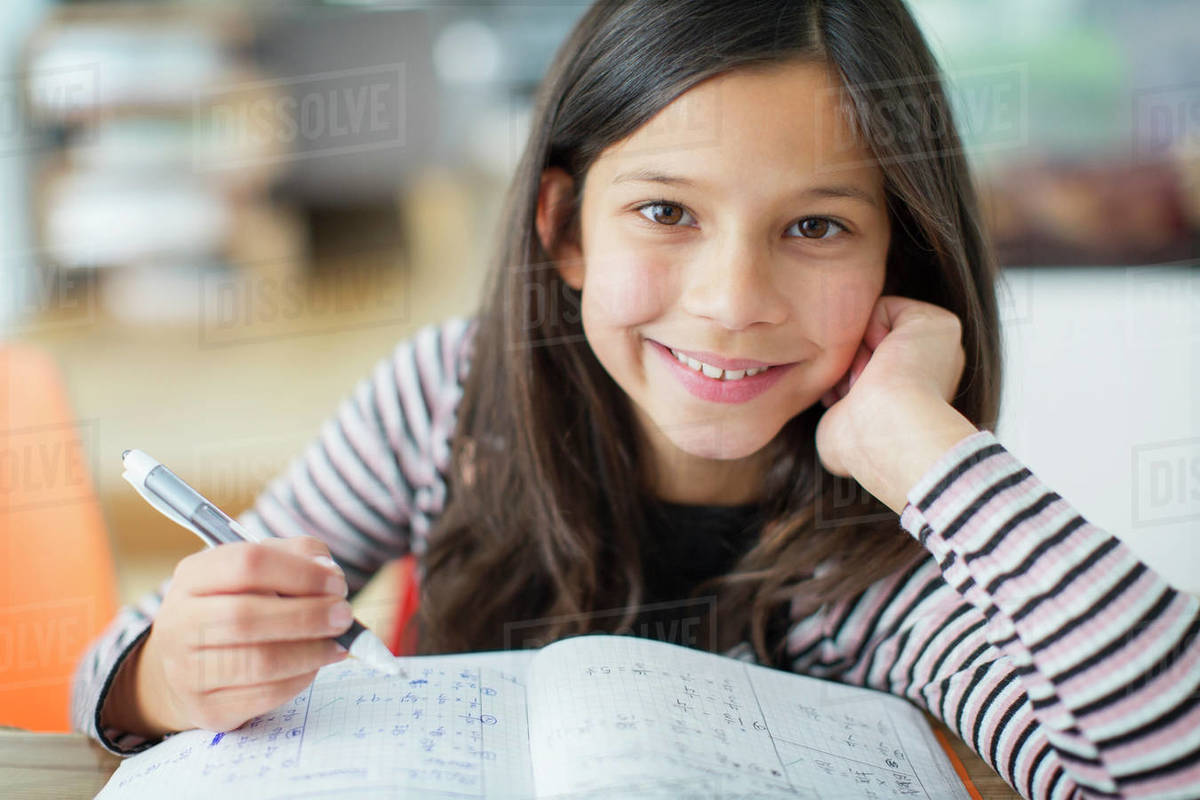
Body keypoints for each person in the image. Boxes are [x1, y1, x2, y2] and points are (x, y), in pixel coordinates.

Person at [72, 1, 1199, 797]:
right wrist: (171, 668)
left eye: (816, 226)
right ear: (562, 228)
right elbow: (104, 676)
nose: (730, 302)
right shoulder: (442, 401)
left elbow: (1165, 763)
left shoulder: (883, 554)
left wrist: (926, 452)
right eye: (666, 212)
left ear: (897, 259)